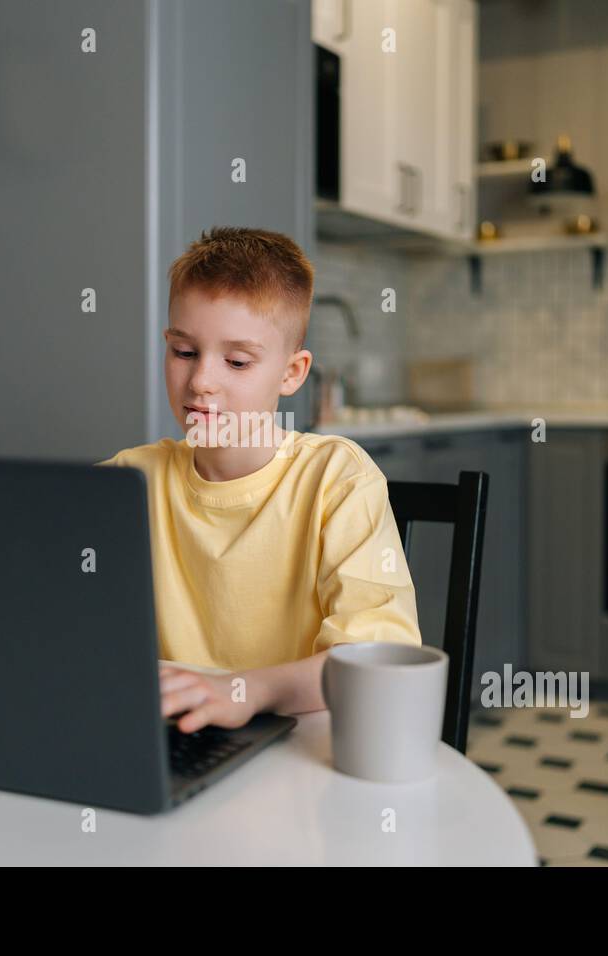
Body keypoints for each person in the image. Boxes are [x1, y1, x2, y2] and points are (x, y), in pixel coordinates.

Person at [100, 226, 421, 732]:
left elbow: (374, 662)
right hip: (172, 738)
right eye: (184, 352)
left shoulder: (337, 480)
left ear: (292, 373)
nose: (201, 380)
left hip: (301, 743)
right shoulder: (126, 480)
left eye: (236, 361)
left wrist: (246, 690)